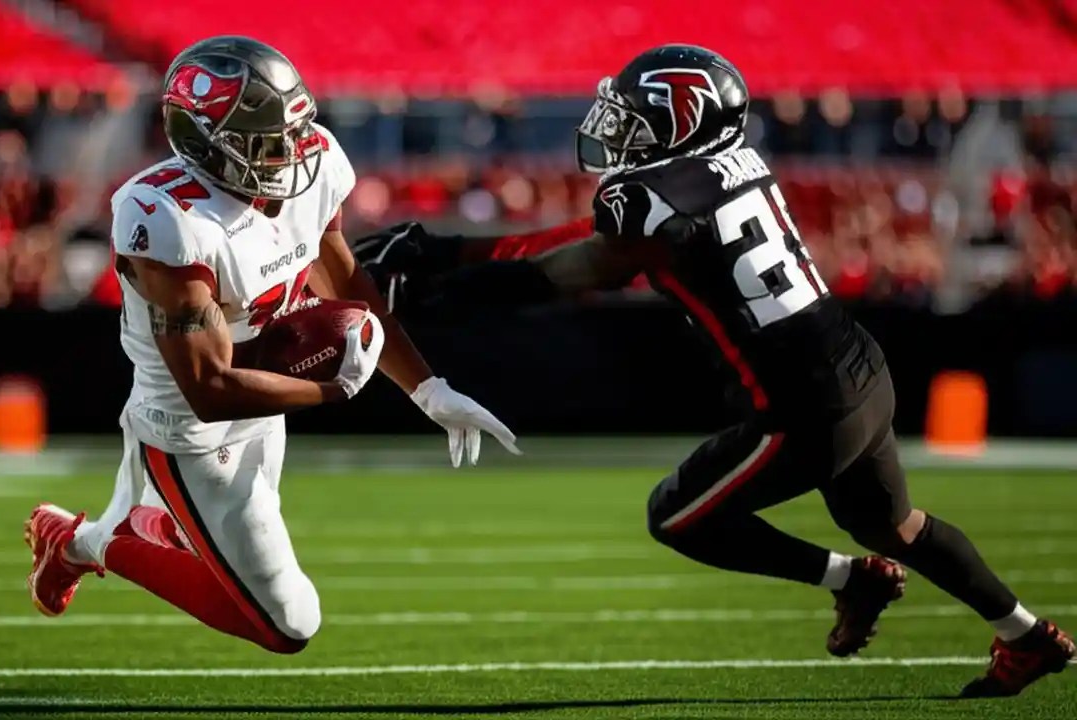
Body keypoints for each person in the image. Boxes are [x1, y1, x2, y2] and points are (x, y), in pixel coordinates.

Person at [360, 44, 1074, 697]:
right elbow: (589, 241)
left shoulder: (650, 197)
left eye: (639, 120)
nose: (622, 133)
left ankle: (851, 581)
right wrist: (447, 248)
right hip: (859, 366)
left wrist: (430, 287)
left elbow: (565, 273)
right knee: (895, 526)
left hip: (804, 404)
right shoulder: (725, 167)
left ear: (687, 123)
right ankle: (1026, 635)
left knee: (676, 517)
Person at [23, 36, 519, 655]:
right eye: (266, 140)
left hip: (264, 412)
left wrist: (428, 389)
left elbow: (339, 276)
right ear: (208, 144)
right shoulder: (167, 217)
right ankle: (91, 540)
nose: (291, 152)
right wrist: (331, 389)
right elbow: (208, 390)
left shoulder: (310, 165)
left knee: (262, 596)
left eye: (292, 130)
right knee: (286, 626)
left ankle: (154, 527)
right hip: (186, 435)